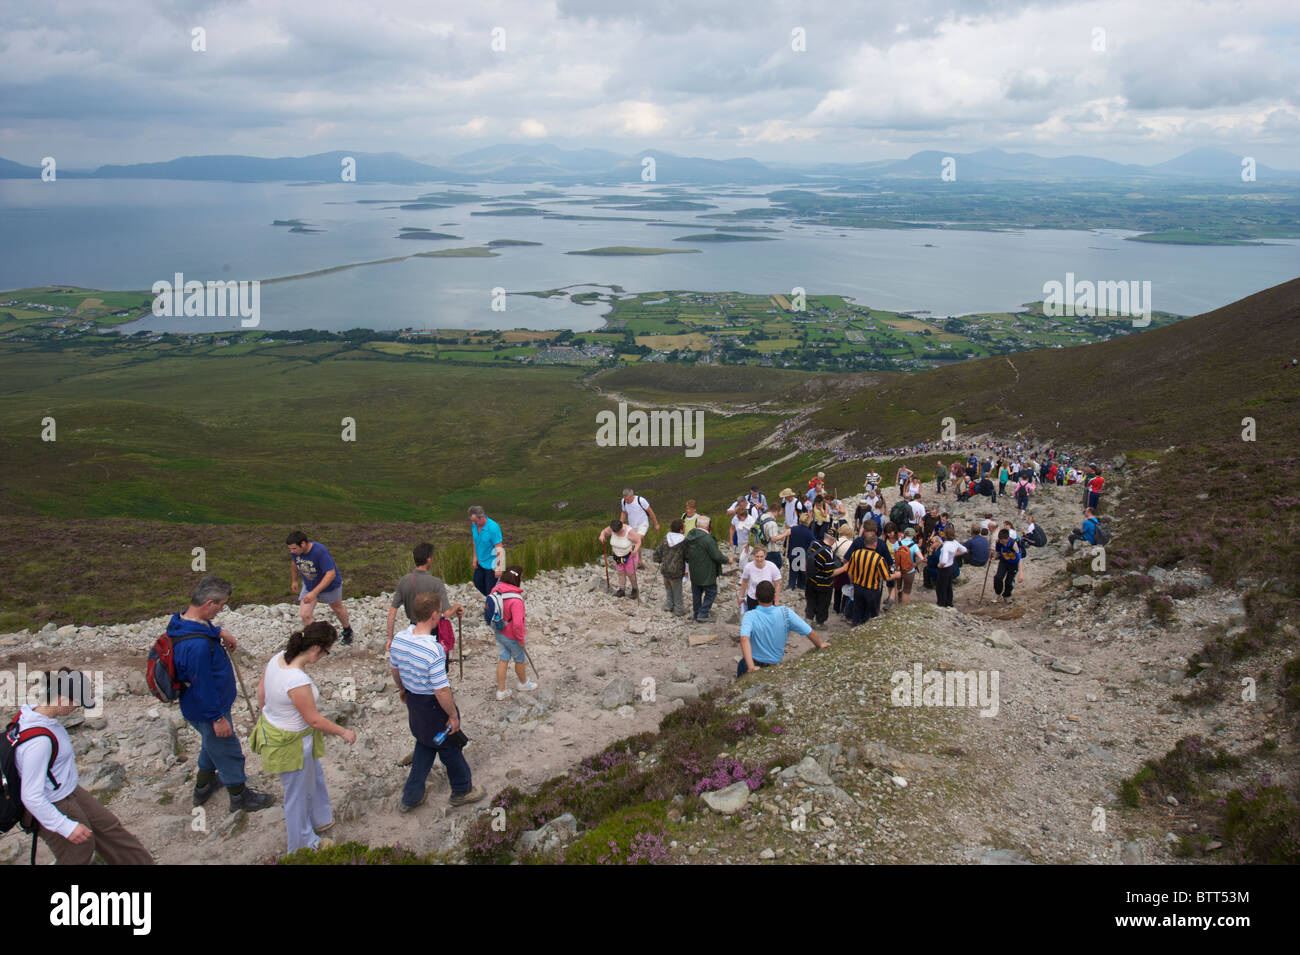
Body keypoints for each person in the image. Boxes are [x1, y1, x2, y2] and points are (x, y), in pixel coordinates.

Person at [14, 668, 154, 865]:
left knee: (110, 829)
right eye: (76, 702)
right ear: (61, 699)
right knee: (79, 851)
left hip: (68, 789)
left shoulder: (39, 714)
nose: (77, 707)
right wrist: (65, 827)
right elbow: (31, 796)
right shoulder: (38, 743)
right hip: (53, 800)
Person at [170, 575, 274, 813]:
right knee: (227, 749)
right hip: (208, 709)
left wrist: (218, 631)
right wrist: (217, 718)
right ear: (209, 604)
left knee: (211, 744)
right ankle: (239, 797)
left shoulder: (183, 622)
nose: (221, 610)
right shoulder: (195, 646)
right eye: (220, 605)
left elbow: (203, 630)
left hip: (203, 706)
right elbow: (202, 685)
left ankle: (204, 786)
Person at [254, 622, 356, 854]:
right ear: (316, 649)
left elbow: (261, 691)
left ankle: (320, 817)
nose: (324, 656)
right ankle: (302, 844)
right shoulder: (296, 681)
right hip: (292, 743)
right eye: (326, 652)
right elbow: (314, 720)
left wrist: (269, 715)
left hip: (277, 727)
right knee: (296, 794)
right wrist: (343, 732)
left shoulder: (278, 658)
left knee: (314, 775)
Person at [389, 593, 485, 811]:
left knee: (425, 742)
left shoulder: (399, 639)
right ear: (434, 616)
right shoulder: (434, 651)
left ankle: (411, 796)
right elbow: (441, 690)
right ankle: (462, 790)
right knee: (449, 745)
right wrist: (452, 715)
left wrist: (402, 689)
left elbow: (395, 669)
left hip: (414, 700)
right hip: (433, 704)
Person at [738, 581, 829, 677]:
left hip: (754, 661)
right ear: (774, 596)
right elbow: (808, 631)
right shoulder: (785, 612)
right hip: (774, 664)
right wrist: (819, 644)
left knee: (741, 665)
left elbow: (744, 639)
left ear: (756, 596)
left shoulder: (750, 615)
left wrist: (751, 667)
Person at [387, 542, 464, 653]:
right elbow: (447, 614)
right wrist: (457, 606)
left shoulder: (404, 581)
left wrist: (390, 638)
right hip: (433, 633)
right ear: (428, 560)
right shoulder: (436, 583)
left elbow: (392, 612)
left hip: (413, 630)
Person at [286, 532, 353, 644]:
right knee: (305, 615)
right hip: (309, 585)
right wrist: (294, 580)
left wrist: (314, 593)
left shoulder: (320, 552)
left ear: (303, 544)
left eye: (294, 548)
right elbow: (294, 563)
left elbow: (330, 574)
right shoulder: (296, 553)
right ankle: (318, 639)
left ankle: (347, 630)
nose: (292, 552)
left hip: (330, 586)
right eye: (290, 549)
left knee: (337, 608)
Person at [832, 526, 897, 624]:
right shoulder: (878, 559)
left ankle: (855, 627)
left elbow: (849, 570)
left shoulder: (856, 554)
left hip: (858, 586)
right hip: (872, 589)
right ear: (875, 544)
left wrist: (853, 581)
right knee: (871, 615)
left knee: (857, 610)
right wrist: (896, 575)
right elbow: (885, 577)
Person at [489, 566, 536, 700]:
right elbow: (517, 624)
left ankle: (501, 691)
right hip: (512, 636)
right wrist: (521, 639)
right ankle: (523, 683)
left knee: (503, 659)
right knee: (519, 660)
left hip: (499, 631)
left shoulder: (495, 590)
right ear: (517, 578)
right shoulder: (516, 600)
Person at [686, 515, 729, 623]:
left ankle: (696, 613)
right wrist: (727, 560)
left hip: (694, 570)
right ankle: (703, 613)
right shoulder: (707, 539)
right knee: (711, 592)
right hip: (707, 572)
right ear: (708, 526)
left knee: (696, 593)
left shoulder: (690, 536)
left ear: (696, 524)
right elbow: (716, 556)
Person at [599, 519, 644, 598]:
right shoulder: (612, 528)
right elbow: (604, 532)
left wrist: (635, 550)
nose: (615, 533)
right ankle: (621, 590)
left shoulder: (629, 531)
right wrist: (602, 535)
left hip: (629, 556)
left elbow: (638, 541)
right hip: (617, 556)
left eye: (617, 532)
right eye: (614, 532)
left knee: (631, 574)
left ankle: (635, 589)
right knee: (620, 573)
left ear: (621, 528)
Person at [468, 506, 505, 598]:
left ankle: (493, 605)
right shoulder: (475, 526)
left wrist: (499, 567)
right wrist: (475, 557)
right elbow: (475, 541)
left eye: (475, 521)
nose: (474, 523)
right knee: (477, 582)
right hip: (480, 562)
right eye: (472, 521)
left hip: (492, 564)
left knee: (490, 589)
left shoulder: (493, 528)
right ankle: (493, 599)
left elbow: (499, 548)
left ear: (482, 517)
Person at [804, 528, 838, 625]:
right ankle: (820, 622)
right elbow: (829, 573)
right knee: (823, 604)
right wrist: (844, 568)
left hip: (810, 579)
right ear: (833, 540)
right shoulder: (828, 553)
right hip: (823, 584)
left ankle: (809, 618)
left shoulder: (814, 544)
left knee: (810, 600)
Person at [740, 547, 782, 613]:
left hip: (768, 599)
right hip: (753, 598)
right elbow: (744, 582)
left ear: (765, 555)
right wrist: (741, 597)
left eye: (761, 556)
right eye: (757, 556)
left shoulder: (772, 566)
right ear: (754, 556)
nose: (759, 559)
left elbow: (777, 584)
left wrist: (776, 600)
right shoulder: (748, 567)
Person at [935, 527, 967, 609]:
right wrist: (954, 554)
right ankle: (949, 602)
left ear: (945, 535)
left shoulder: (946, 546)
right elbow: (964, 550)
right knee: (948, 585)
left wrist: (940, 564)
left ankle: (941, 603)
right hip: (951, 565)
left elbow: (944, 559)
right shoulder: (955, 542)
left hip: (944, 567)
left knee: (941, 586)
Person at [992, 529, 1024, 604]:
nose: (1001, 542)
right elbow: (998, 551)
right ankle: (997, 593)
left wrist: (1021, 574)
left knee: (1009, 581)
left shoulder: (1013, 545)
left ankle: (1007, 595)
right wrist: (994, 557)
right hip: (1004, 561)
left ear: (1008, 539)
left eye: (1003, 541)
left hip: (1013, 564)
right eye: (1000, 541)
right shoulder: (998, 542)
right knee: (998, 577)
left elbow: (1020, 558)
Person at [786, 512, 815, 591]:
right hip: (802, 555)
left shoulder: (793, 529)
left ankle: (791, 585)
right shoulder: (809, 533)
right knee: (802, 573)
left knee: (792, 571)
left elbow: (786, 542)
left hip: (793, 554)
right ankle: (801, 586)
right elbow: (814, 544)